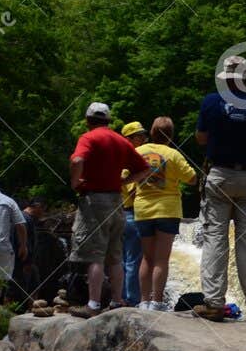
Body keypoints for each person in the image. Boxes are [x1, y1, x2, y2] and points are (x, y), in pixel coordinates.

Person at [195, 54, 246, 321]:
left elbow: (201, 138)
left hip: (220, 175)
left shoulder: (211, 102)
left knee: (216, 238)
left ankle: (215, 303)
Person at [69, 102, 151, 318]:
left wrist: (75, 182)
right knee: (114, 255)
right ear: (108, 120)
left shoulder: (88, 138)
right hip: (117, 201)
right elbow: (144, 169)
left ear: (88, 120)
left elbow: (78, 159)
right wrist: (124, 182)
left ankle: (93, 305)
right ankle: (117, 300)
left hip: (94, 200)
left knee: (95, 255)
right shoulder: (121, 141)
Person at [132, 116, 198, 311]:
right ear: (170, 136)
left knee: (147, 258)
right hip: (168, 210)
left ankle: (143, 301)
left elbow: (124, 175)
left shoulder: (137, 152)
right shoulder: (173, 154)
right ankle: (157, 302)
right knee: (161, 259)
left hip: (143, 209)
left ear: (150, 133)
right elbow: (192, 178)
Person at [119, 121, 147, 306]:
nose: (143, 138)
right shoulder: (129, 161)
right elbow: (131, 190)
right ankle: (132, 300)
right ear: (129, 139)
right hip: (131, 213)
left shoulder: (123, 158)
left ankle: (121, 298)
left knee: (123, 260)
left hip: (122, 214)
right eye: (139, 135)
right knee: (133, 260)